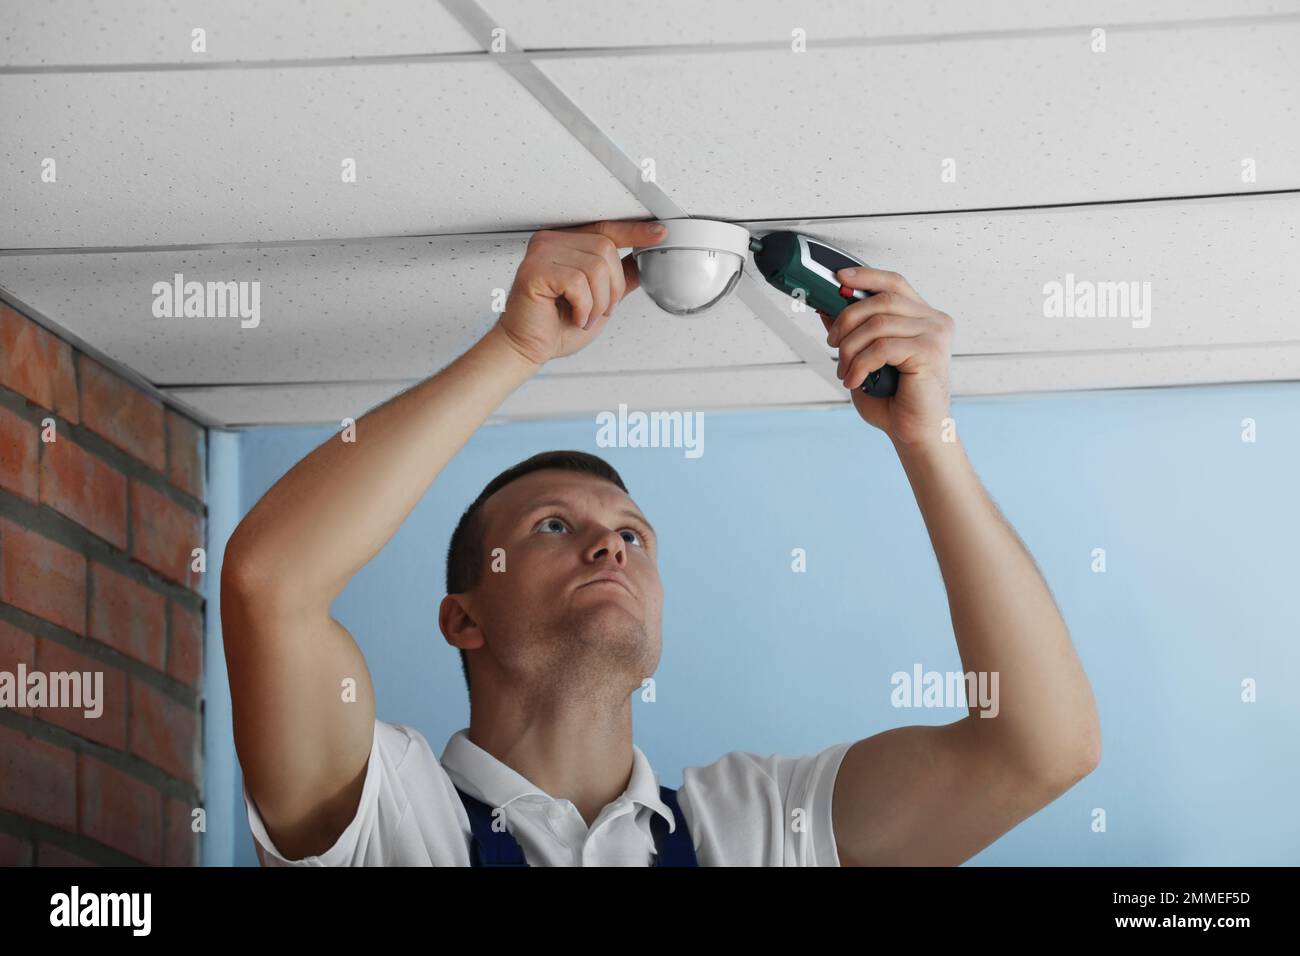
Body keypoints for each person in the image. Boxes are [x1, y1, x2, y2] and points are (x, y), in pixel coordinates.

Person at [220, 219, 1101, 866]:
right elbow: (270, 584)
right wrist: (516, 347)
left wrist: (928, 440)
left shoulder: (757, 827)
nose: (611, 549)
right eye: (555, 527)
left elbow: (1041, 749)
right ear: (463, 619)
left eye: (634, 536)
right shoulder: (389, 816)